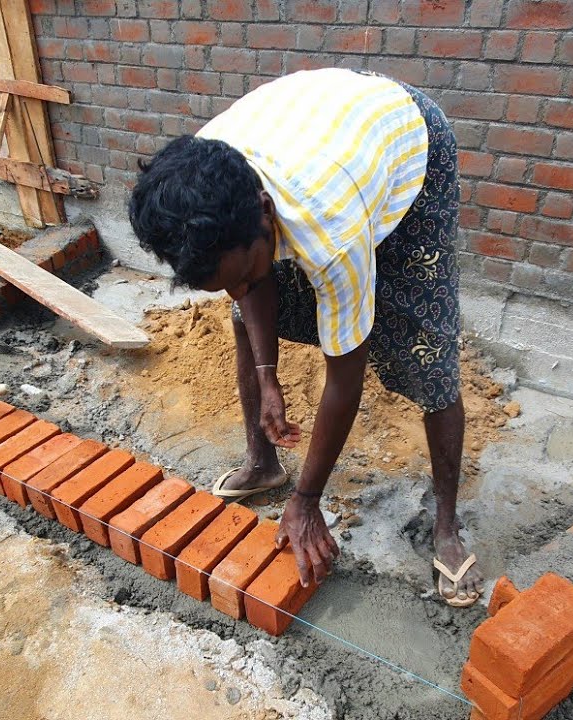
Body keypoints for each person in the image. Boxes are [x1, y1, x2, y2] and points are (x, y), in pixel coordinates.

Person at [128, 68, 483, 607]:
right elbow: (247, 286)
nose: (240, 288)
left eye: (245, 274)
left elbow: (347, 378)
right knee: (247, 312)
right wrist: (268, 376)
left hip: (409, 145)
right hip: (319, 138)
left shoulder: (330, 233)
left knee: (427, 351)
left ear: (266, 213)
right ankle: (263, 462)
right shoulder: (197, 190)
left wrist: (308, 499)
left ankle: (446, 526)